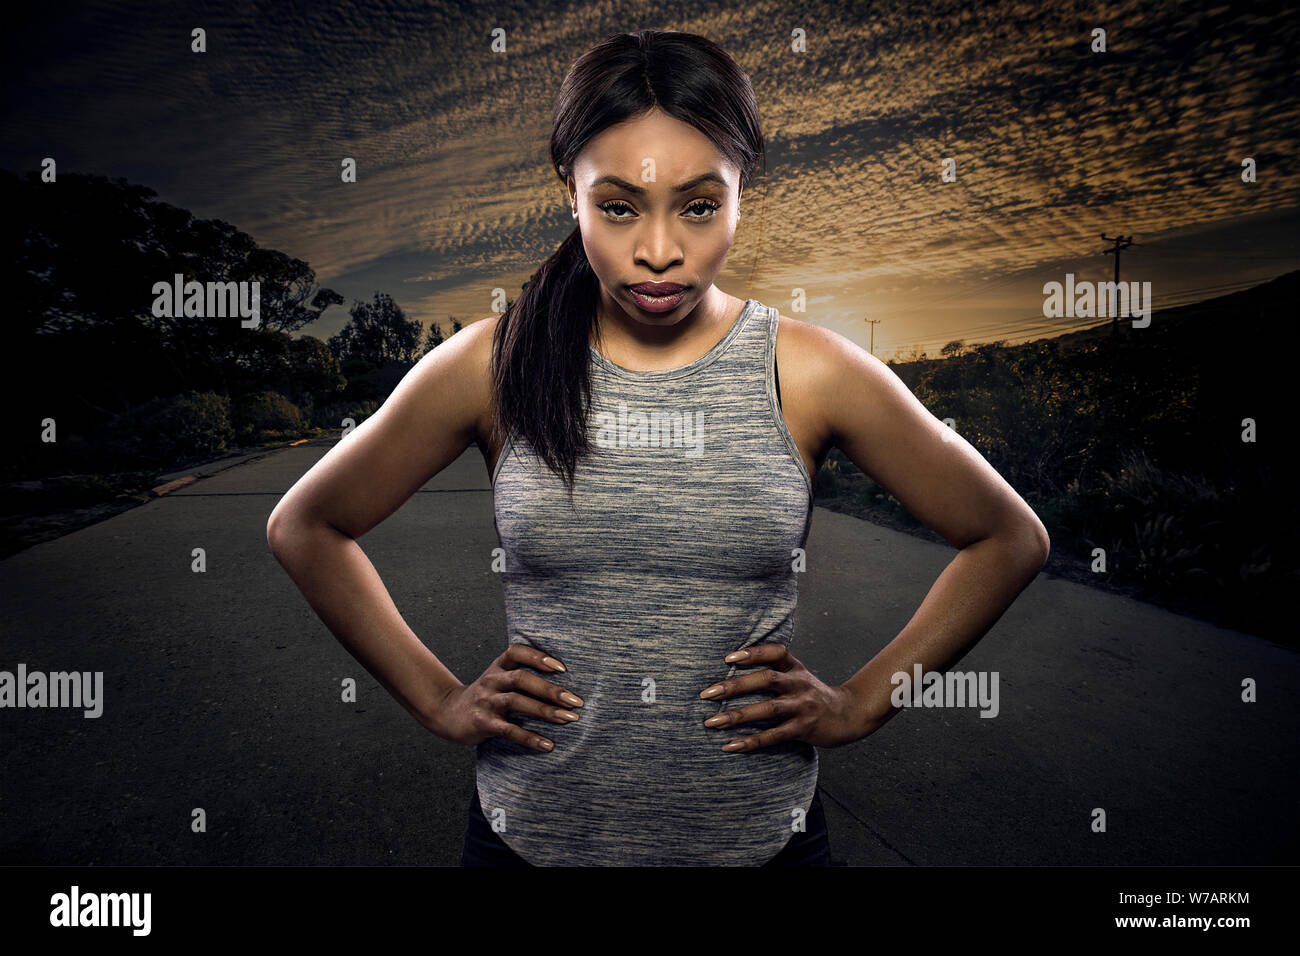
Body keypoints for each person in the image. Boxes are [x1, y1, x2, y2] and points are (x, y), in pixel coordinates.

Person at [266, 29, 1050, 867]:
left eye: (700, 205)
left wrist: (859, 705)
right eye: (618, 206)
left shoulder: (811, 372)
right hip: (529, 845)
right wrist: (439, 701)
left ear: (742, 190)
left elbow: (1009, 538)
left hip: (762, 848)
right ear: (570, 192)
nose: (660, 250)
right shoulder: (492, 365)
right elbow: (306, 526)